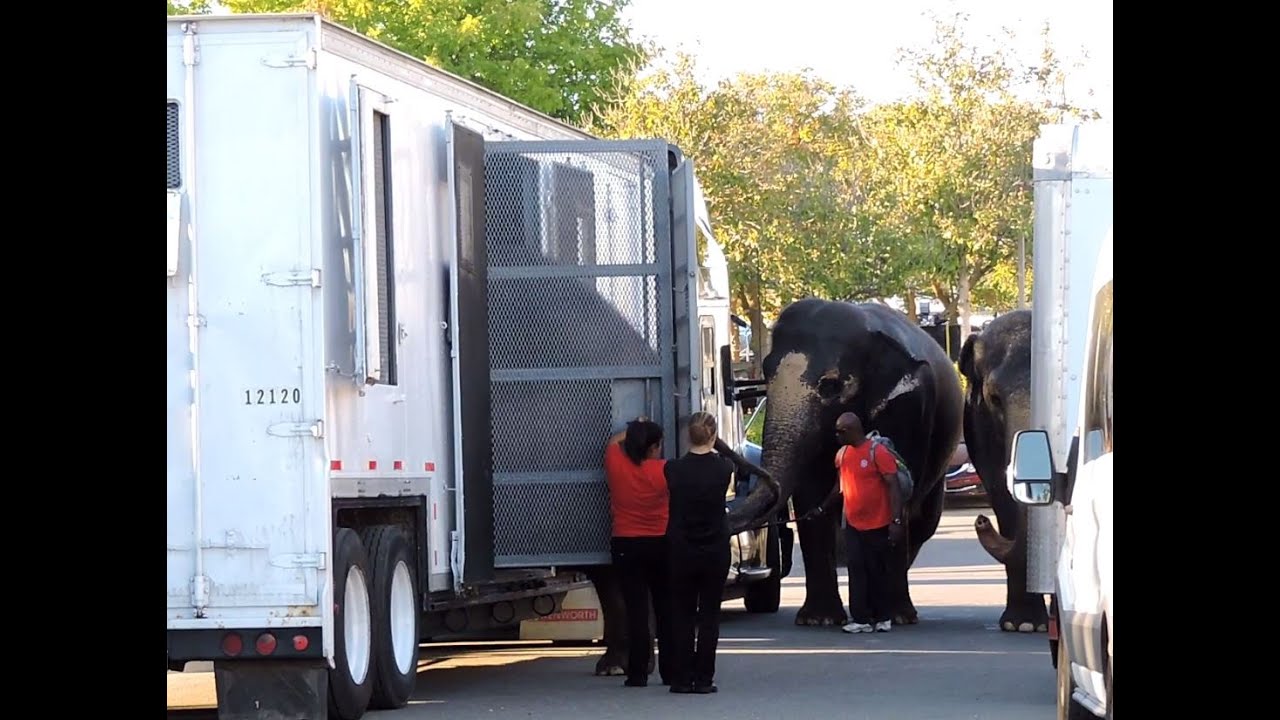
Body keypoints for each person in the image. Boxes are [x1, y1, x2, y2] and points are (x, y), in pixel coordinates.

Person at [807, 412, 906, 634]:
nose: (837, 435)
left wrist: (896, 520)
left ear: (854, 430)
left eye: (841, 431)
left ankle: (883, 617)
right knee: (856, 570)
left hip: (879, 523)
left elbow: (893, 487)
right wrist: (822, 508)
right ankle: (860, 618)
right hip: (853, 524)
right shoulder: (842, 455)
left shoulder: (876, 452)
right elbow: (838, 488)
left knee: (878, 571)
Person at [663, 412, 736, 694]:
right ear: (714, 435)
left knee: (681, 614)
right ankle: (704, 677)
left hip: (682, 549)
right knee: (709, 616)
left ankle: (681, 677)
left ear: (686, 436)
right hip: (715, 549)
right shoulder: (724, 468)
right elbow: (727, 457)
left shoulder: (673, 469)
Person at [603, 417, 674, 688]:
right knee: (665, 609)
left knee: (636, 611)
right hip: (660, 544)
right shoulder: (665, 471)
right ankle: (670, 671)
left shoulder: (615, 463)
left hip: (625, 544)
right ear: (654, 447)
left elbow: (613, 442)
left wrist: (633, 428)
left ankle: (637, 672)